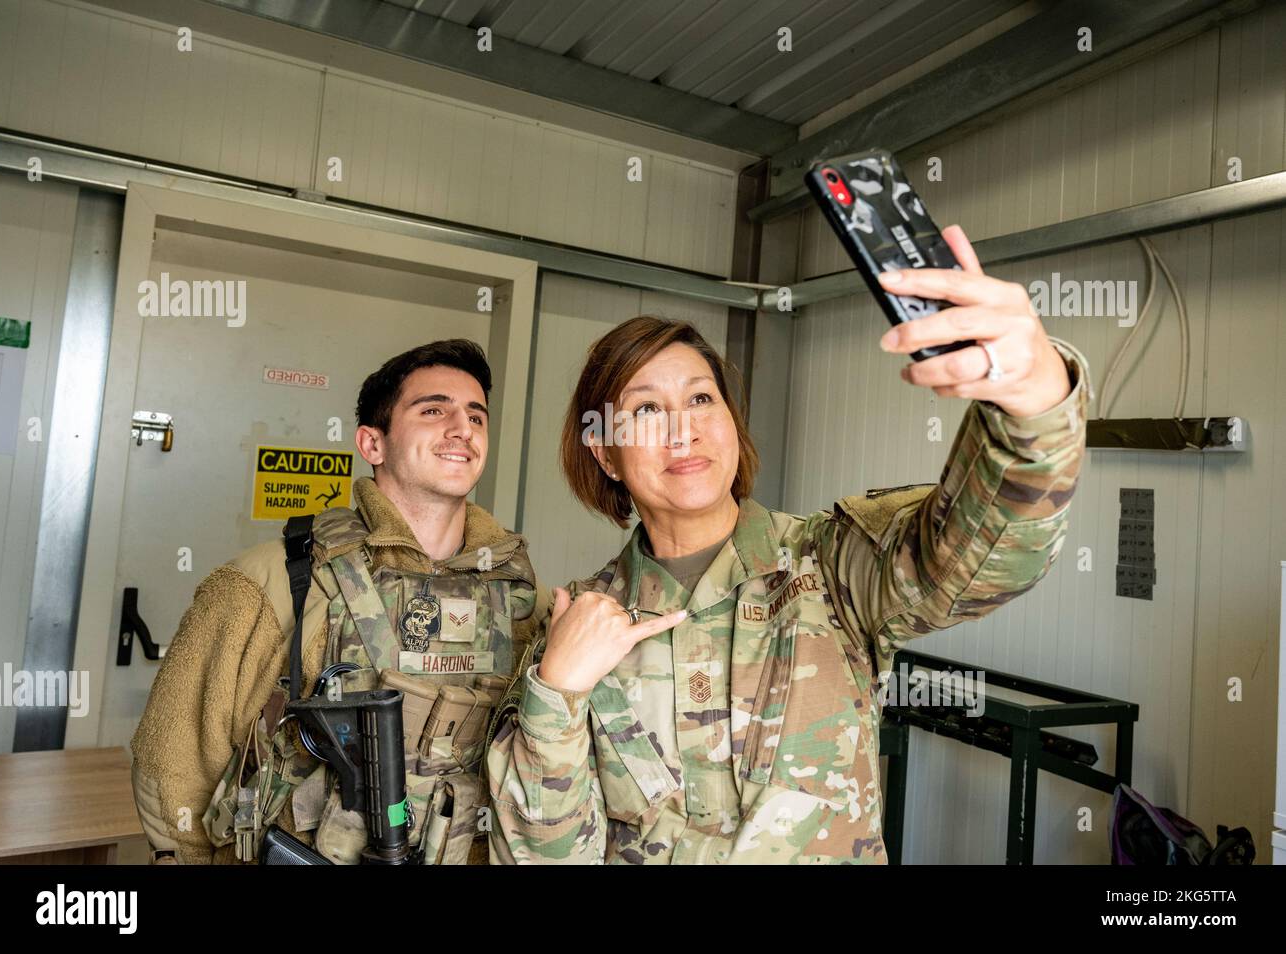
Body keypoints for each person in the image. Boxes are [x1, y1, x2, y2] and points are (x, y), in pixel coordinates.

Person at [485, 225, 1091, 864]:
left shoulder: (829, 565)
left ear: (731, 424)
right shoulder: (575, 624)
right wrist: (556, 692)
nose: (683, 430)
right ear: (606, 454)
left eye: (701, 398)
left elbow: (981, 558)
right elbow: (539, 856)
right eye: (645, 411)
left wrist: (1031, 405)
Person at [131, 339, 540, 864]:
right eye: (434, 410)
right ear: (372, 444)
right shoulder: (269, 581)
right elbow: (173, 761)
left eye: (476, 416)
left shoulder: (521, 593)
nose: (463, 428)